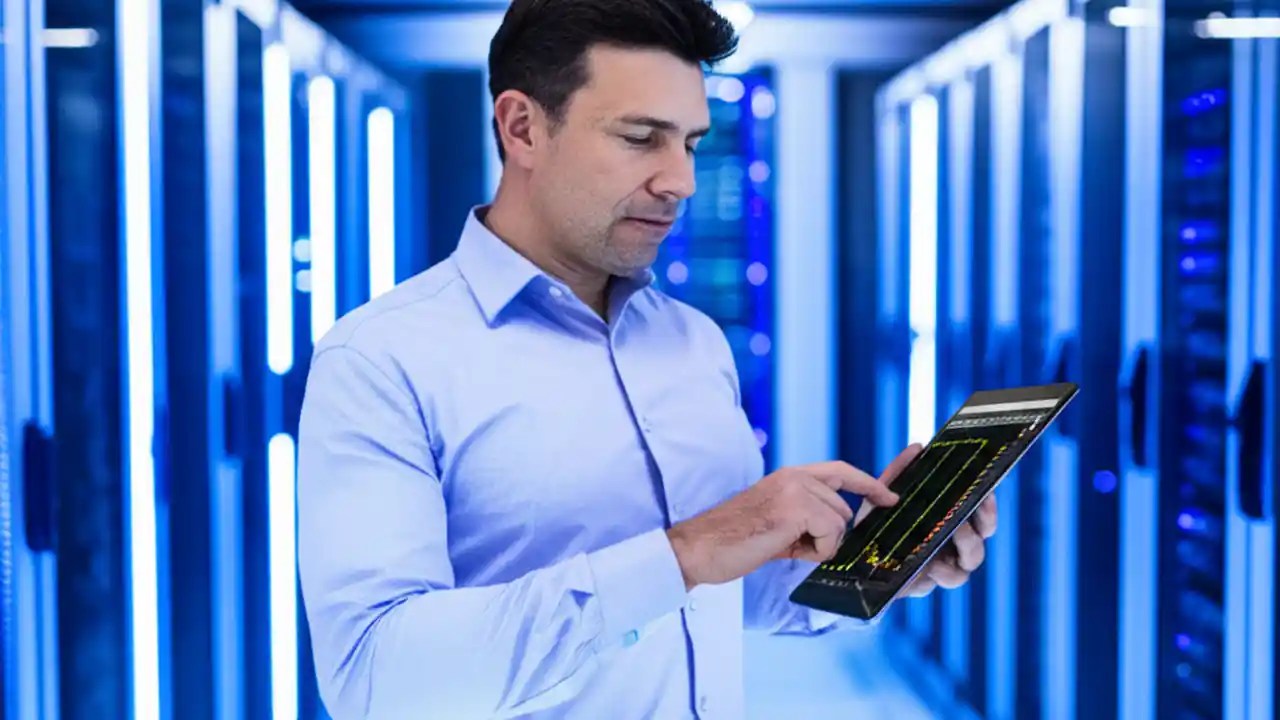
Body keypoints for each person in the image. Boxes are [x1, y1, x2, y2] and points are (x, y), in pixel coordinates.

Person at [295, 1, 997, 718]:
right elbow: (374, 679)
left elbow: (725, 593)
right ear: (522, 127)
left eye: (690, 143)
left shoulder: (694, 343)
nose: (681, 181)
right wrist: (685, 551)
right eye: (641, 138)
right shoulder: (381, 358)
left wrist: (875, 566)